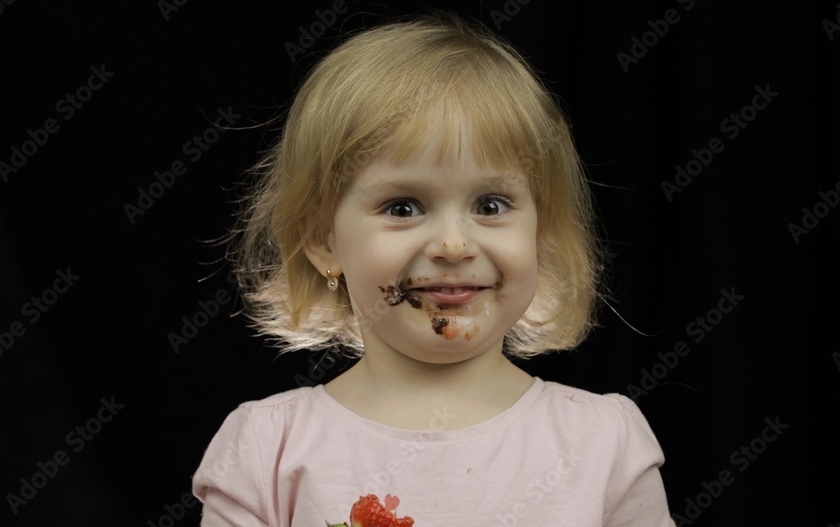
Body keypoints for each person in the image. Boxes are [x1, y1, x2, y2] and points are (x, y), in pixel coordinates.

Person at [193, 13, 675, 527]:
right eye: (403, 207)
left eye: (490, 205)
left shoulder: (604, 443)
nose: (453, 244)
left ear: (542, 231)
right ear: (322, 240)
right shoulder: (268, 450)